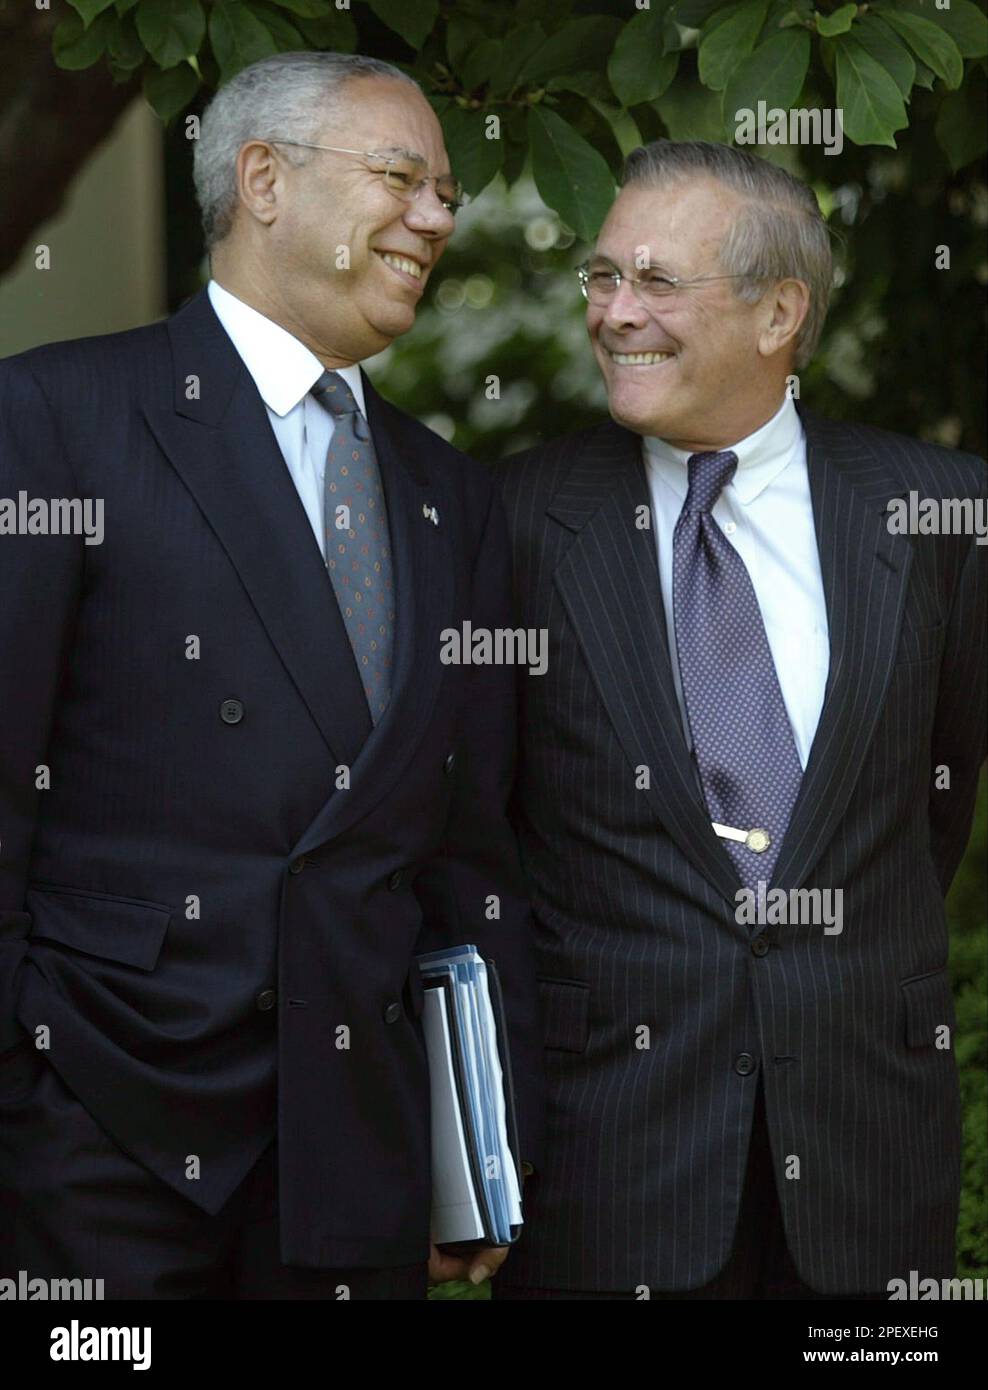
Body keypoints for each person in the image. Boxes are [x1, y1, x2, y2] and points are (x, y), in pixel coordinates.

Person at [0, 51, 542, 1300]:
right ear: (262, 180)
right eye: (402, 178)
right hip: (96, 1143)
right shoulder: (57, 418)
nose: (435, 219)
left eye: (446, 196)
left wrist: (472, 1150)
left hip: (354, 1160)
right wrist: (28, 1097)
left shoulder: (452, 498)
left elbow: (469, 859)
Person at [494, 140, 986, 1299]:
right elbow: (479, 831)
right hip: (608, 1158)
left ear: (778, 313)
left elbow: (936, 799)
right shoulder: (512, 522)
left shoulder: (941, 516)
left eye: (656, 282)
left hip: (868, 1149)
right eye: (601, 277)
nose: (615, 314)